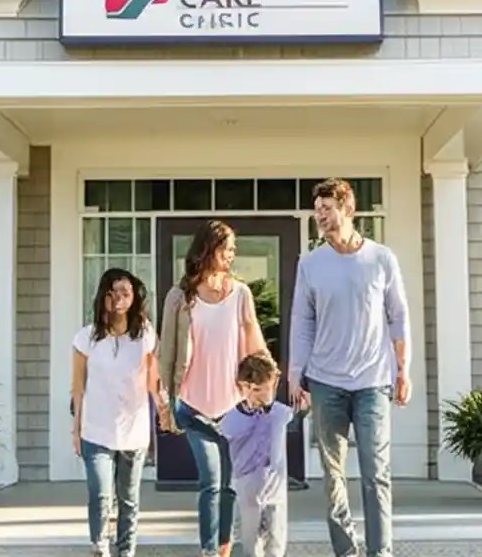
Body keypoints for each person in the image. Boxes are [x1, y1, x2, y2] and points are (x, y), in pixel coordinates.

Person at [288, 178, 412, 557]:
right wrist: (296, 372)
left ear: (348, 209)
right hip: (326, 382)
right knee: (333, 475)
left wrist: (403, 370)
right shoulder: (310, 263)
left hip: (374, 381)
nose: (320, 216)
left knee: (377, 475)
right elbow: (302, 321)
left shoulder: (381, 258)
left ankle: (381, 551)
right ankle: (346, 550)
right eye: (317, 209)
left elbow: (399, 317)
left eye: (327, 208)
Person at [158, 219, 270, 557]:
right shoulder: (180, 296)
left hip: (233, 407)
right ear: (209, 249)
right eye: (228, 248)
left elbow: (253, 338)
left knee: (229, 485)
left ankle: (223, 547)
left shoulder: (241, 293)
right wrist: (165, 403)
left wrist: (267, 376)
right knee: (210, 480)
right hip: (193, 407)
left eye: (234, 249)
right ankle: (208, 550)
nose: (232, 255)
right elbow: (166, 353)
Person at [71, 267, 163, 557]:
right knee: (100, 495)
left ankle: (126, 550)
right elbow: (78, 388)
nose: (120, 299)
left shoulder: (145, 335)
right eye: (114, 293)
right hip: (95, 429)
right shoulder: (86, 338)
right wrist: (76, 431)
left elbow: (153, 381)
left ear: (135, 298)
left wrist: (164, 408)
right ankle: (99, 546)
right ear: (104, 297)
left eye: (126, 293)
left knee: (129, 499)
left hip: (133, 431)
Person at [220, 352, 294, 557]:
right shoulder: (230, 420)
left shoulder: (281, 413)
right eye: (253, 389)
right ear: (242, 387)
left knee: (276, 547)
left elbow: (300, 406)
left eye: (264, 389)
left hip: (275, 495)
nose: (258, 396)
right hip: (247, 493)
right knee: (249, 546)